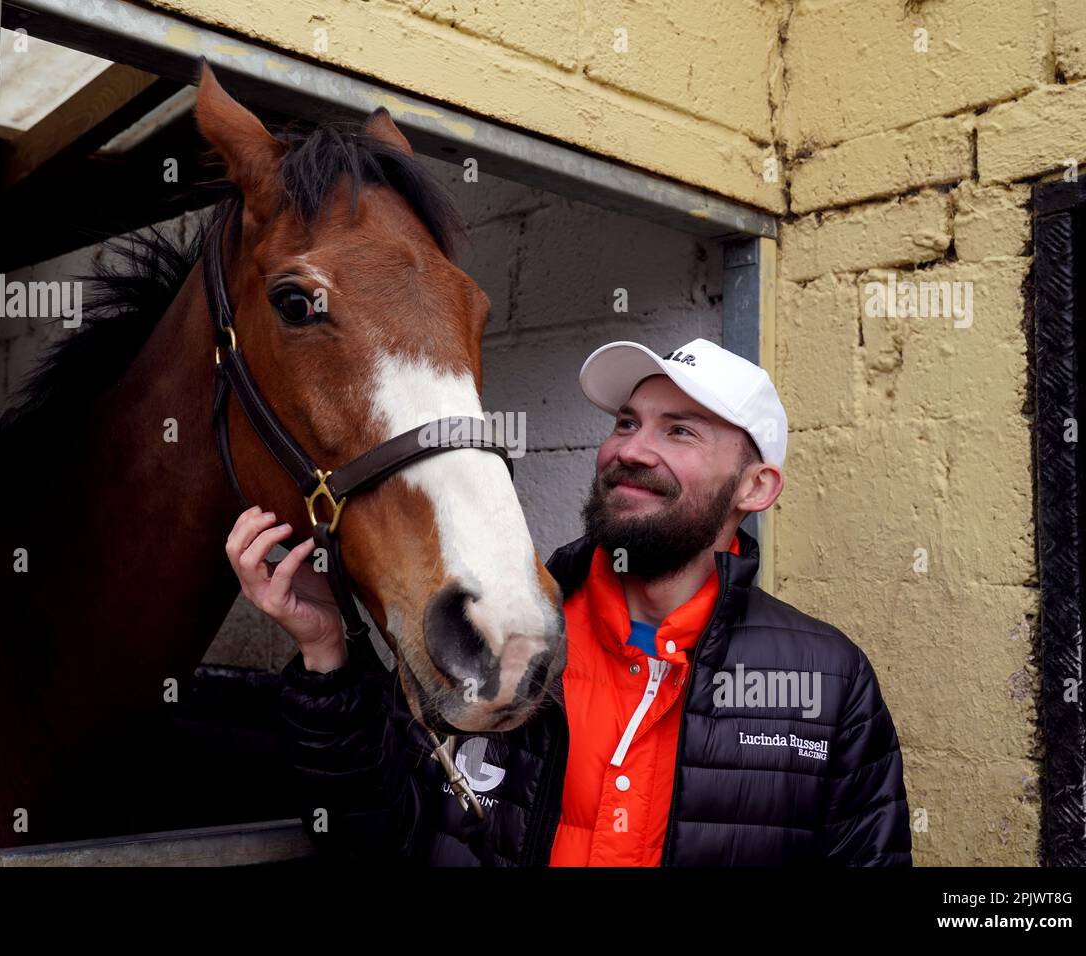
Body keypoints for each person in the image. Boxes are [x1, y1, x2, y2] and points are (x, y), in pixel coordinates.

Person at [226, 337, 912, 866]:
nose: (631, 451)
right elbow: (374, 836)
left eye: (679, 431)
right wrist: (323, 650)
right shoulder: (498, 633)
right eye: (625, 422)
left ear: (755, 487)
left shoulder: (828, 684)